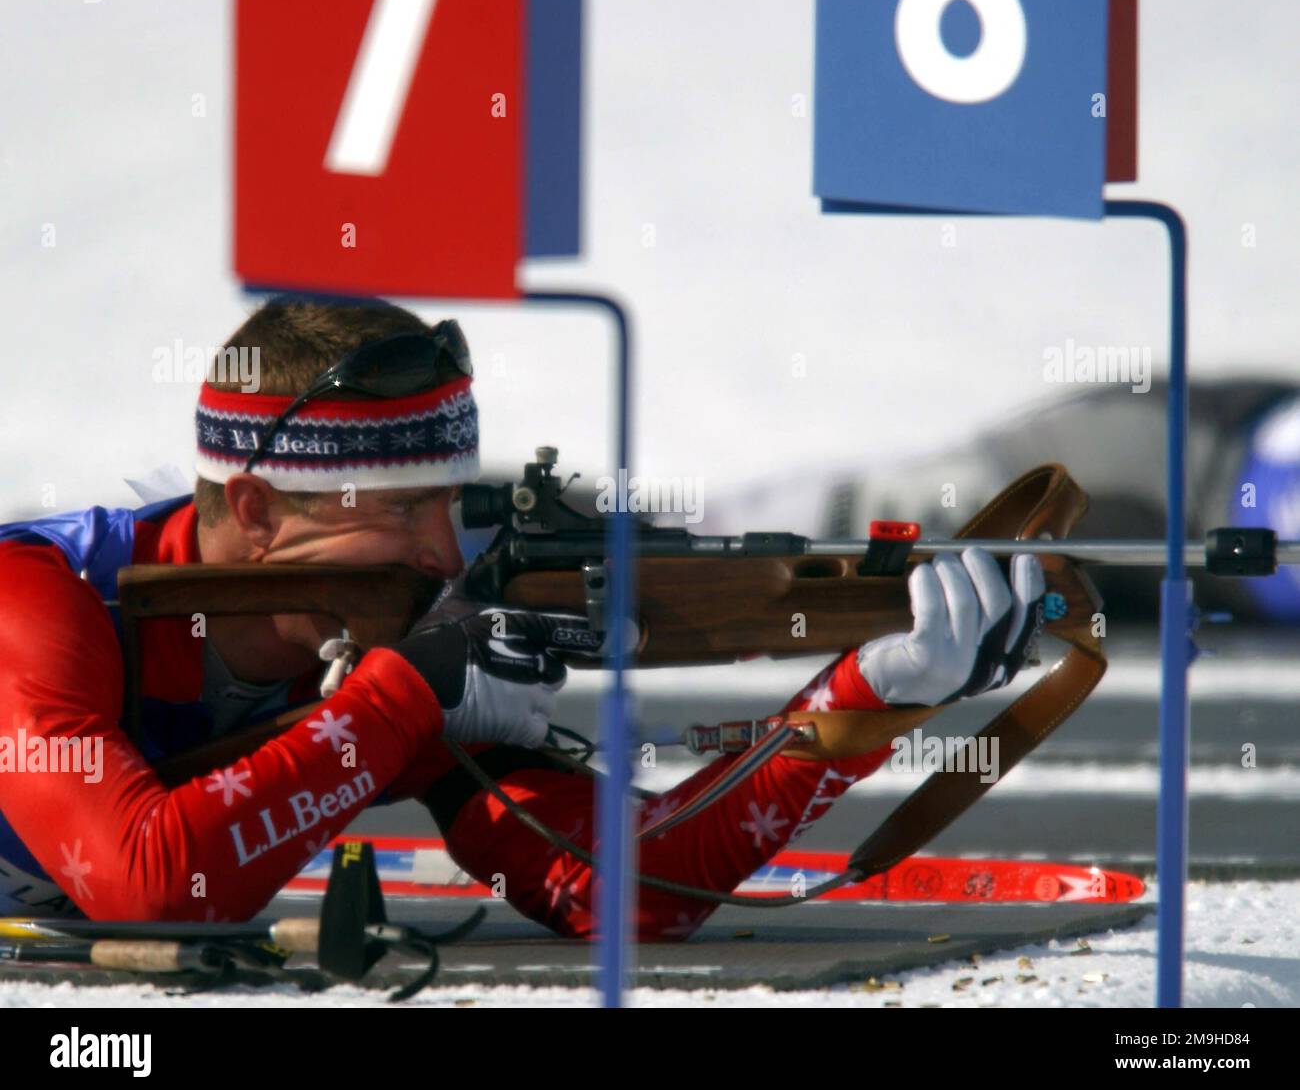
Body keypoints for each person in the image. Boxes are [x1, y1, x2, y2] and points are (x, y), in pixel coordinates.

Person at [0, 298, 1044, 938]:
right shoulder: (42, 597)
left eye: (451, 505)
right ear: (262, 514)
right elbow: (150, 887)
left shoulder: (378, 651)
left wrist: (861, 699)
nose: (445, 555)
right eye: (405, 509)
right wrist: (408, 694)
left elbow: (632, 895)